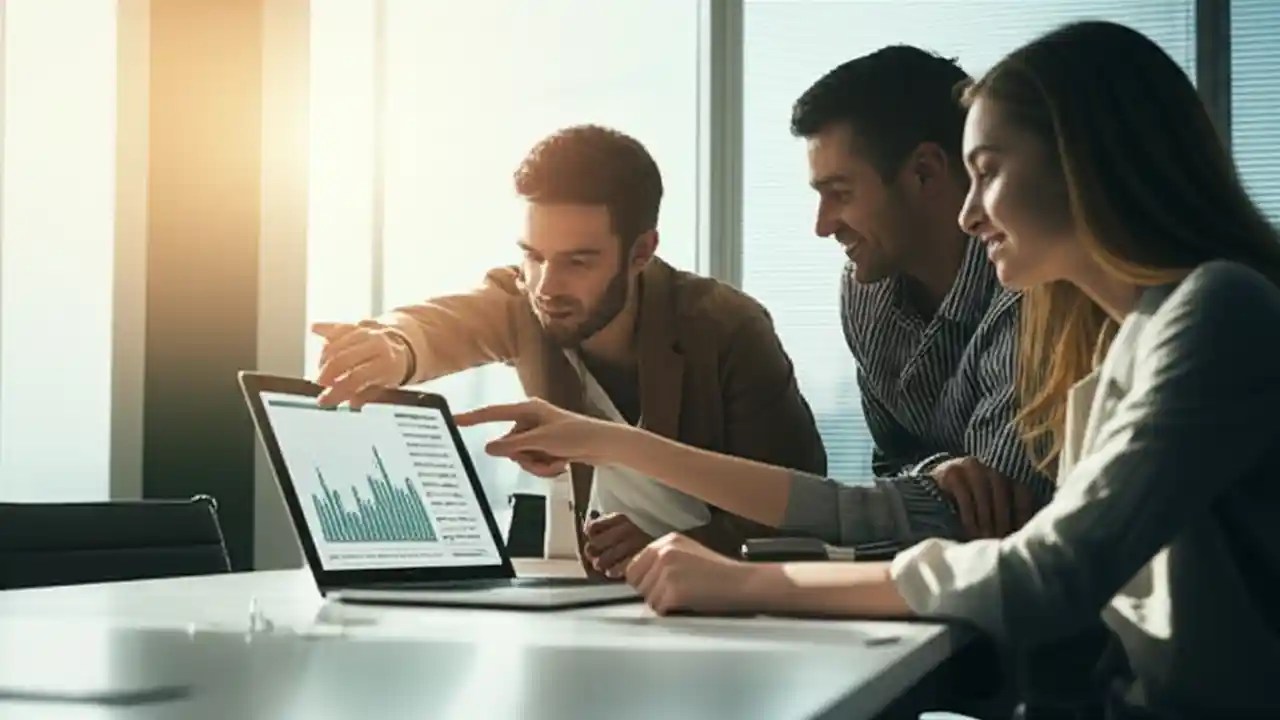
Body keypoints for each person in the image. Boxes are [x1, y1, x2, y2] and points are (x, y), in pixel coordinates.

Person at [457, 22, 1280, 717]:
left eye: (987, 171)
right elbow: (901, 500)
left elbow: (1046, 570)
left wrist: (752, 585)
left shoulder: (1218, 311)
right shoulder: (1121, 340)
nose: (968, 211)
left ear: (1083, 164)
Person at [311, 124, 826, 578]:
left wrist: (680, 546)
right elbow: (444, 324)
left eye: (578, 262)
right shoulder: (525, 302)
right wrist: (392, 346)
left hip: (728, 610)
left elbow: (804, 511)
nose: (546, 286)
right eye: (533, 256)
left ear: (641, 251)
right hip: (589, 595)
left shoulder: (727, 327)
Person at [783, 46, 1050, 546]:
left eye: (840, 193)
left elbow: (999, 511)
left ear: (925, 172)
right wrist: (936, 472)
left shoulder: (1036, 293)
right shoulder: (864, 293)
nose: (822, 226)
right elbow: (891, 463)